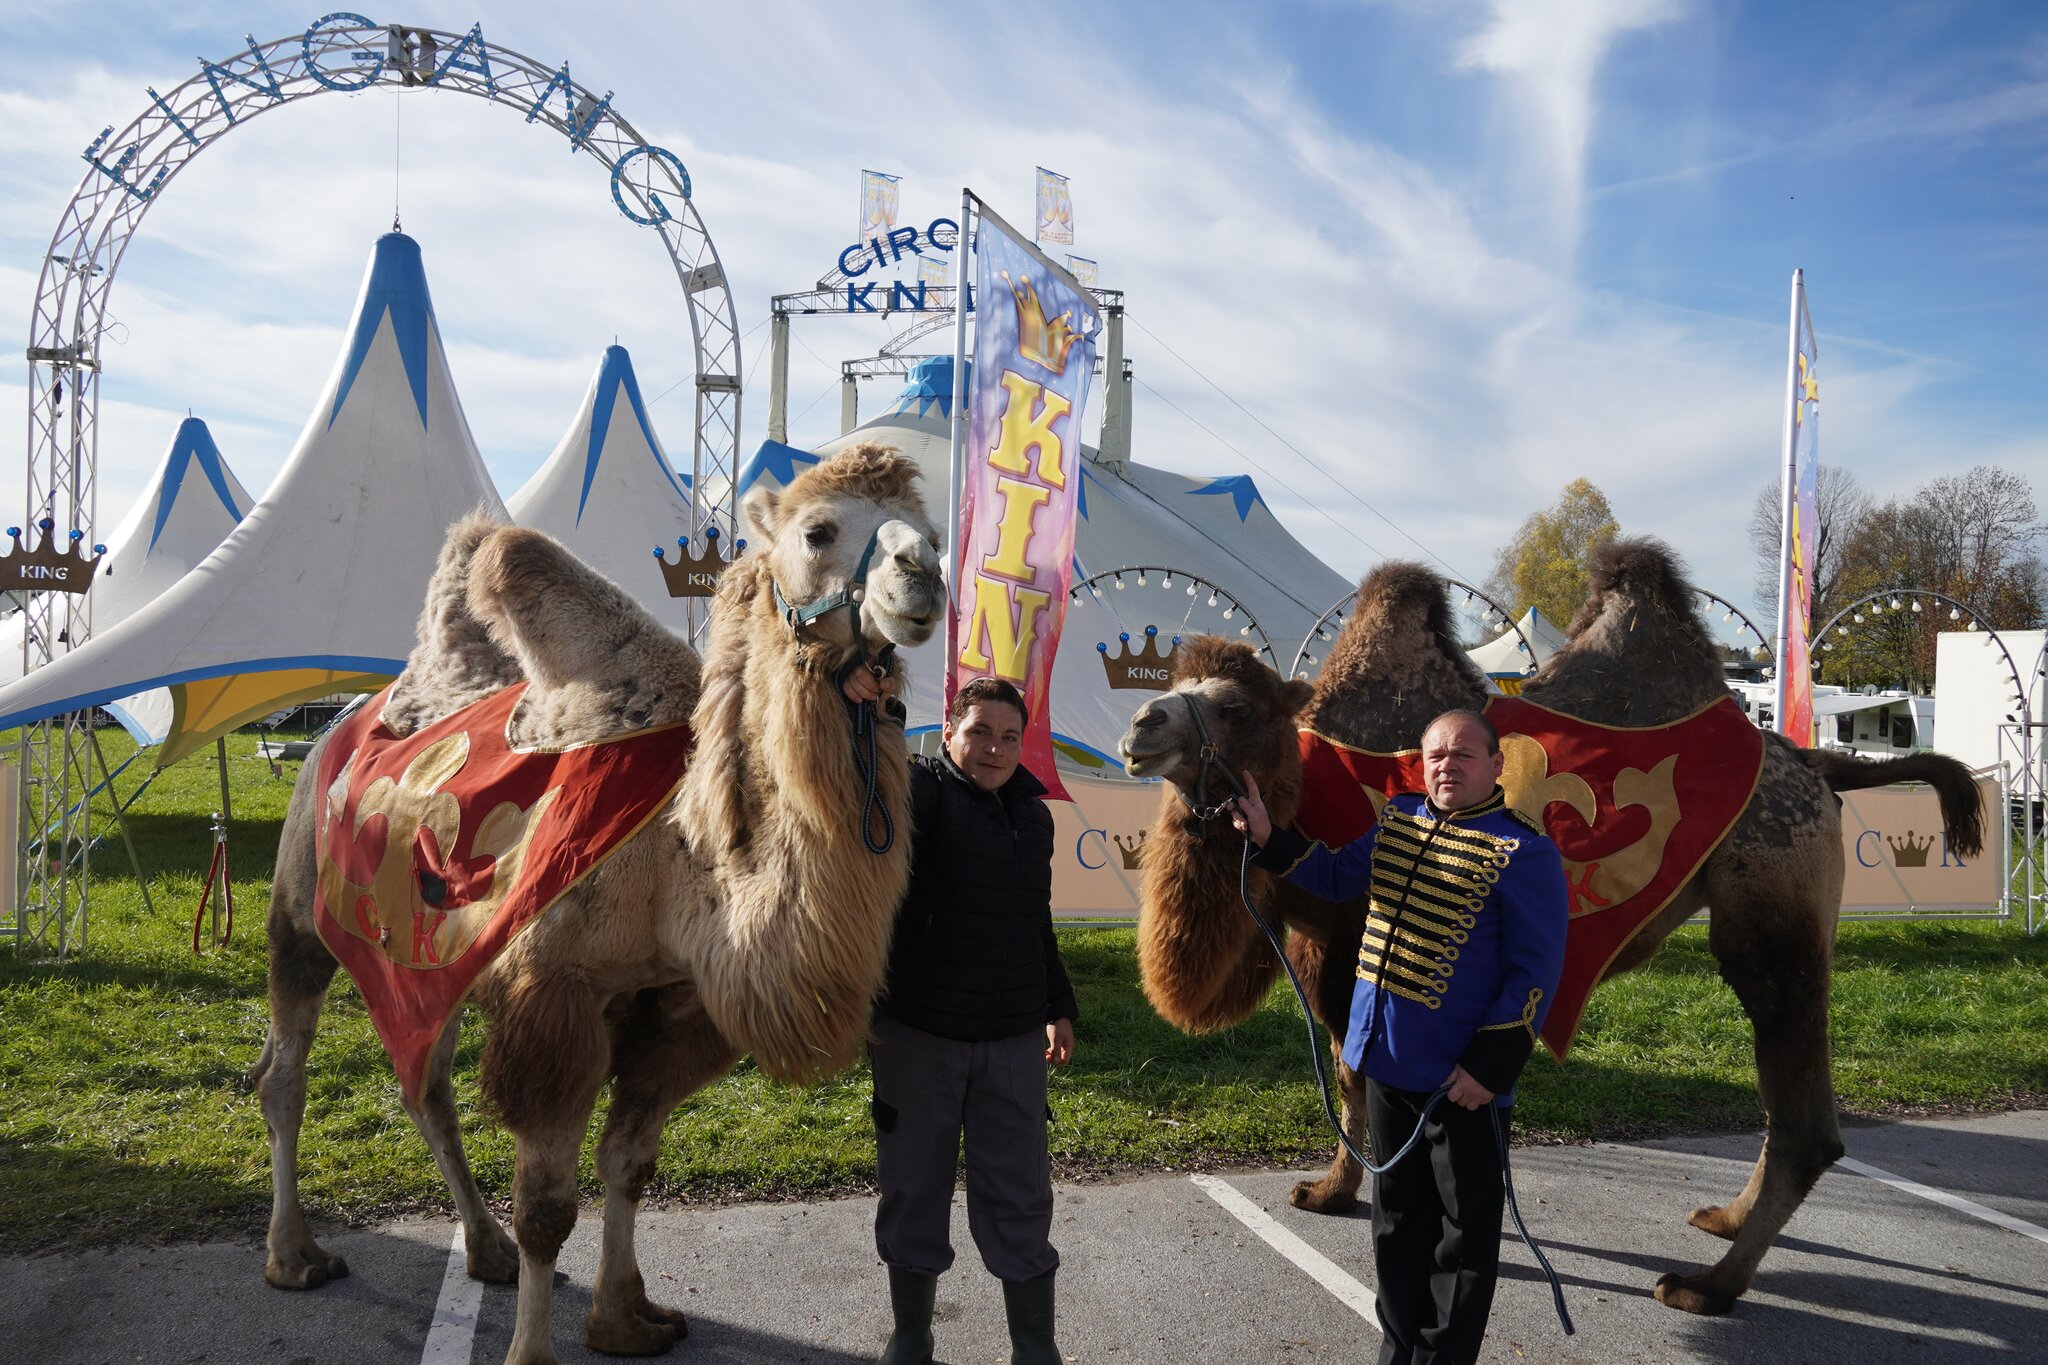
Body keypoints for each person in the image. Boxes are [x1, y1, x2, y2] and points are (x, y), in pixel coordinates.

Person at [1230, 708, 1567, 1365]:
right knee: (1395, 1220)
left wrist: (1489, 1067)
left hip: (1460, 1080)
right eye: (1437, 754)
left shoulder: (1523, 852)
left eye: (1465, 754)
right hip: (1384, 1061)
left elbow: (1535, 972)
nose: (1448, 764)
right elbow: (1331, 876)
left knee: (1463, 1235)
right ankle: (1398, 1346)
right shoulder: (1398, 821)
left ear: (1497, 766)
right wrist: (1269, 836)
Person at [841, 670, 1077, 1365]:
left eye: (1010, 735)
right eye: (979, 731)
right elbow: (861, 773)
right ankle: (911, 1335)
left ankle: (1035, 1345)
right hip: (918, 1039)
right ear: (948, 732)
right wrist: (877, 711)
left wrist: (1057, 1005)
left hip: (1009, 1046)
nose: (995, 748)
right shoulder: (920, 794)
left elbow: (1036, 922)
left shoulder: (1034, 818)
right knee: (913, 1188)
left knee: (1021, 1197)